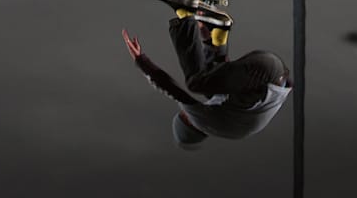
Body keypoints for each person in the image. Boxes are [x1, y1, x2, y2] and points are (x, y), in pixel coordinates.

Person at [121, 13, 291, 148]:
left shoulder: (223, 121)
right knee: (195, 84)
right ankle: (184, 18)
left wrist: (204, 32)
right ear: (186, 121)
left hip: (272, 71)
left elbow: (223, 76)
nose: (184, 111)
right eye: (183, 114)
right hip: (264, 76)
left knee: (210, 89)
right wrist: (141, 61)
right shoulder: (202, 121)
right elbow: (175, 92)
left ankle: (215, 31)